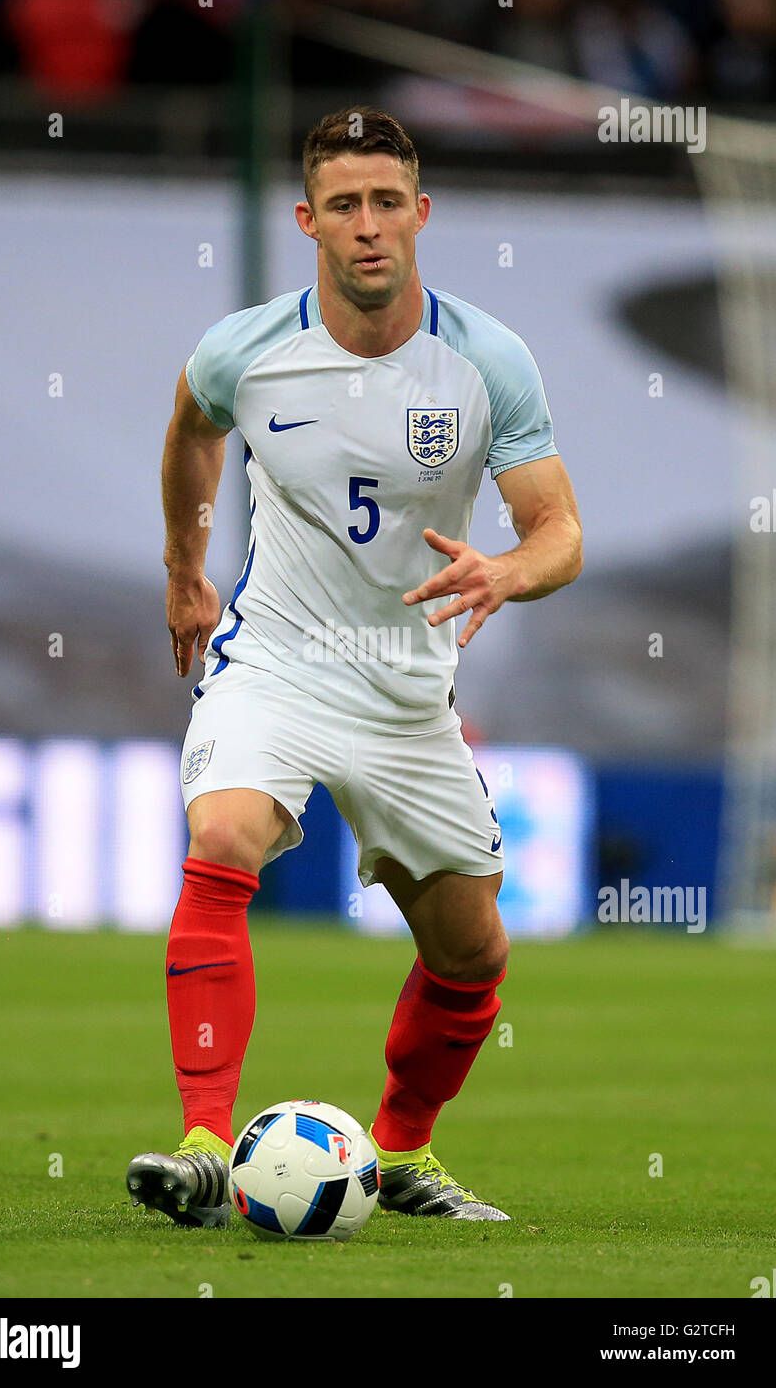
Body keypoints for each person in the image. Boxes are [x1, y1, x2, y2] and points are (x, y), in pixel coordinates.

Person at [127, 106, 582, 1227]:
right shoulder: (246, 350)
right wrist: (186, 569)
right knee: (222, 838)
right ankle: (203, 1145)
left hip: (406, 695)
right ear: (308, 221)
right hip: (275, 662)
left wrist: (506, 571)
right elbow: (192, 427)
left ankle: (404, 1153)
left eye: (385, 202)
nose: (367, 225)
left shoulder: (486, 360)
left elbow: (559, 532)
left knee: (471, 954)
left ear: (421, 213)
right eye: (344, 205)